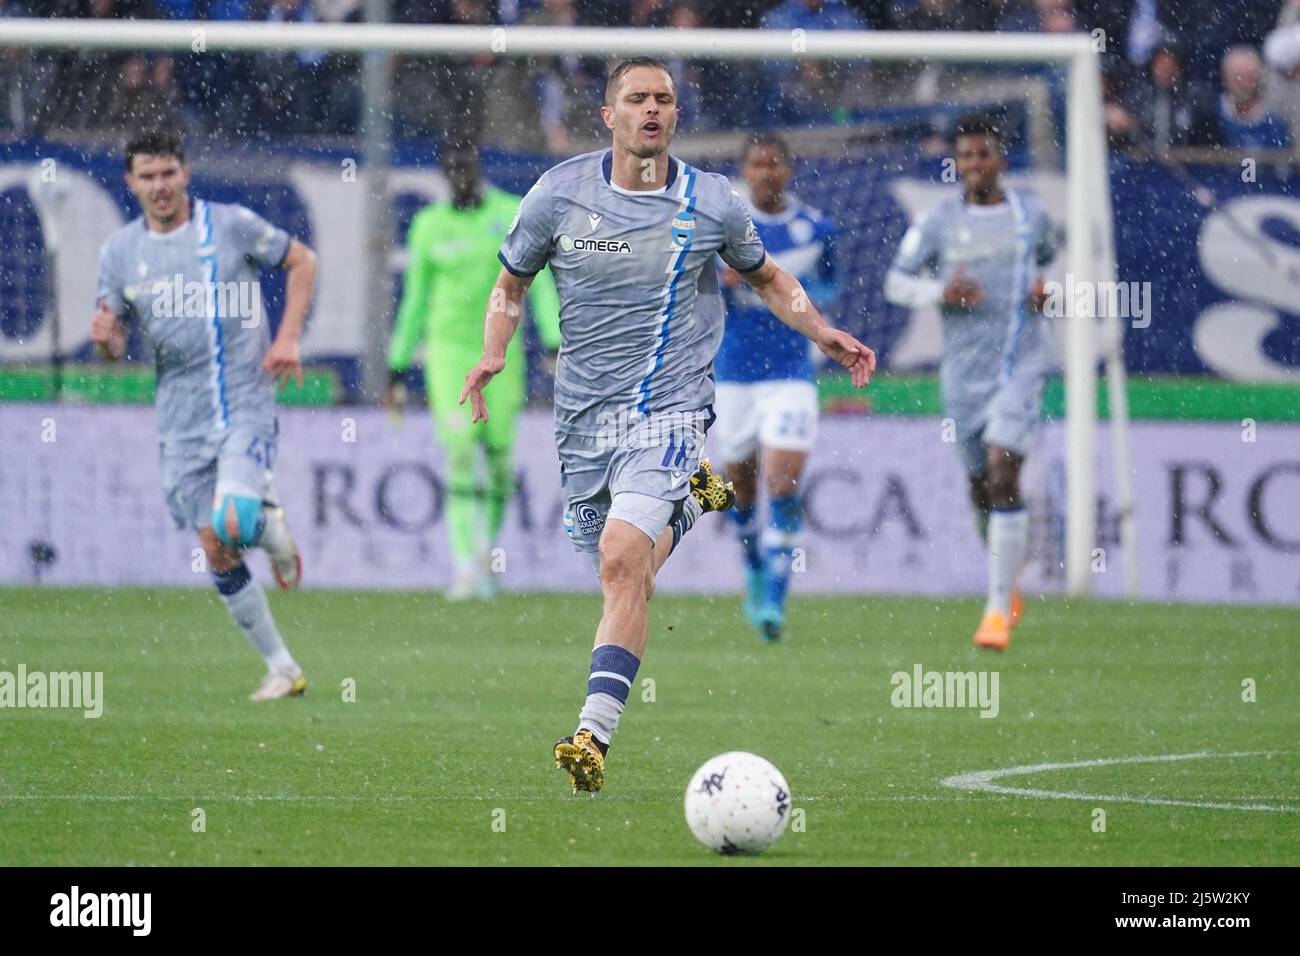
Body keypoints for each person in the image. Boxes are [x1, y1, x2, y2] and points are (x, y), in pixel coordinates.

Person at [461, 57, 875, 793]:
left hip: (672, 408)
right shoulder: (559, 195)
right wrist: (494, 352)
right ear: (609, 115)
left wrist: (825, 332)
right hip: (583, 420)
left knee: (623, 557)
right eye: (637, 99)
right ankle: (695, 500)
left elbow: (770, 277)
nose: (652, 110)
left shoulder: (711, 202)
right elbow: (510, 284)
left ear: (676, 115)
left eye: (664, 99)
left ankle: (592, 735)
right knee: (624, 573)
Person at [92, 128, 317, 700]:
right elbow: (113, 346)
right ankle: (283, 668)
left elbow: (302, 261)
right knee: (216, 548)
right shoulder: (119, 253)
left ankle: (270, 529)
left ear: (185, 173)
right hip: (179, 420)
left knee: (235, 521)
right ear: (131, 183)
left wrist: (288, 337)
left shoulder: (231, 225)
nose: (160, 186)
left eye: (168, 173)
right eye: (147, 176)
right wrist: (106, 339)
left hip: (245, 398)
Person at [884, 114, 1057, 652]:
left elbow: (1045, 264)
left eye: (984, 154)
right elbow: (895, 282)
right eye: (966, 156)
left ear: (1001, 161)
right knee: (981, 486)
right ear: (957, 164)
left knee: (1006, 471)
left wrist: (1042, 291)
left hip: (1021, 364)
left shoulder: (1033, 215)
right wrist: (939, 292)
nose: (975, 164)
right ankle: (1004, 578)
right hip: (963, 376)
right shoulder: (939, 222)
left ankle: (995, 609)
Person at [386, 147, 561, 599]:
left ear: (478, 171)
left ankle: (487, 550)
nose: (461, 177)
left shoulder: (508, 214)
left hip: (500, 349)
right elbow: (416, 298)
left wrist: (553, 338)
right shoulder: (430, 226)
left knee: (500, 456)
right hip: (447, 353)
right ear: (444, 174)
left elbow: (533, 280)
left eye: (467, 168)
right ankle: (464, 564)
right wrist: (398, 362)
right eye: (452, 170)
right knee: (461, 449)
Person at [713, 132, 839, 642]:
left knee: (783, 483)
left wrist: (788, 288)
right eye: (757, 165)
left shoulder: (815, 228)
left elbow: (831, 286)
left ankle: (775, 599)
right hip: (733, 375)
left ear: (789, 170)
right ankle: (753, 567)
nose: (766, 172)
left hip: (790, 372)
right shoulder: (723, 227)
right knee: (738, 487)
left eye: (774, 164)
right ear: (745, 171)